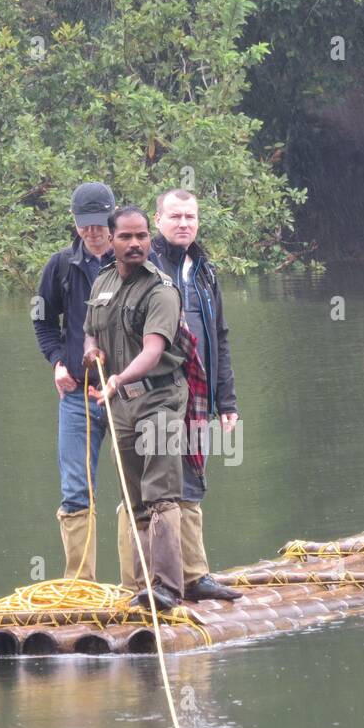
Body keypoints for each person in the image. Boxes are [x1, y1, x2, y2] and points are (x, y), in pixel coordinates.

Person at [81, 206, 188, 611]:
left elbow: (153, 350)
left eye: (142, 236)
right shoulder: (104, 281)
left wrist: (118, 379)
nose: (135, 244)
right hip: (121, 404)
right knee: (135, 496)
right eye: (125, 237)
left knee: (160, 492)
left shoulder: (161, 289)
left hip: (159, 398)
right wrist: (92, 355)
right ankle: (145, 584)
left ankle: (167, 588)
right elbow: (90, 332)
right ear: (110, 240)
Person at [138, 187, 242, 602]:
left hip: (199, 393)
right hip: (156, 391)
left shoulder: (204, 270)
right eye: (176, 216)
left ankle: (196, 576)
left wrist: (228, 401)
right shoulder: (144, 267)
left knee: (193, 480)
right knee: (158, 484)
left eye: (191, 217)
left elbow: (219, 337)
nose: (184, 224)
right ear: (158, 219)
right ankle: (152, 583)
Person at [33, 182, 116, 580]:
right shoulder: (60, 265)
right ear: (75, 223)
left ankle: (142, 582)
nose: (94, 232)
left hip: (128, 394)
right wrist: (55, 362)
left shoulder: (134, 261)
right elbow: (42, 321)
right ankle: (80, 585)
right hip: (77, 396)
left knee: (139, 488)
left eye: (100, 224)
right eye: (86, 225)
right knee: (76, 491)